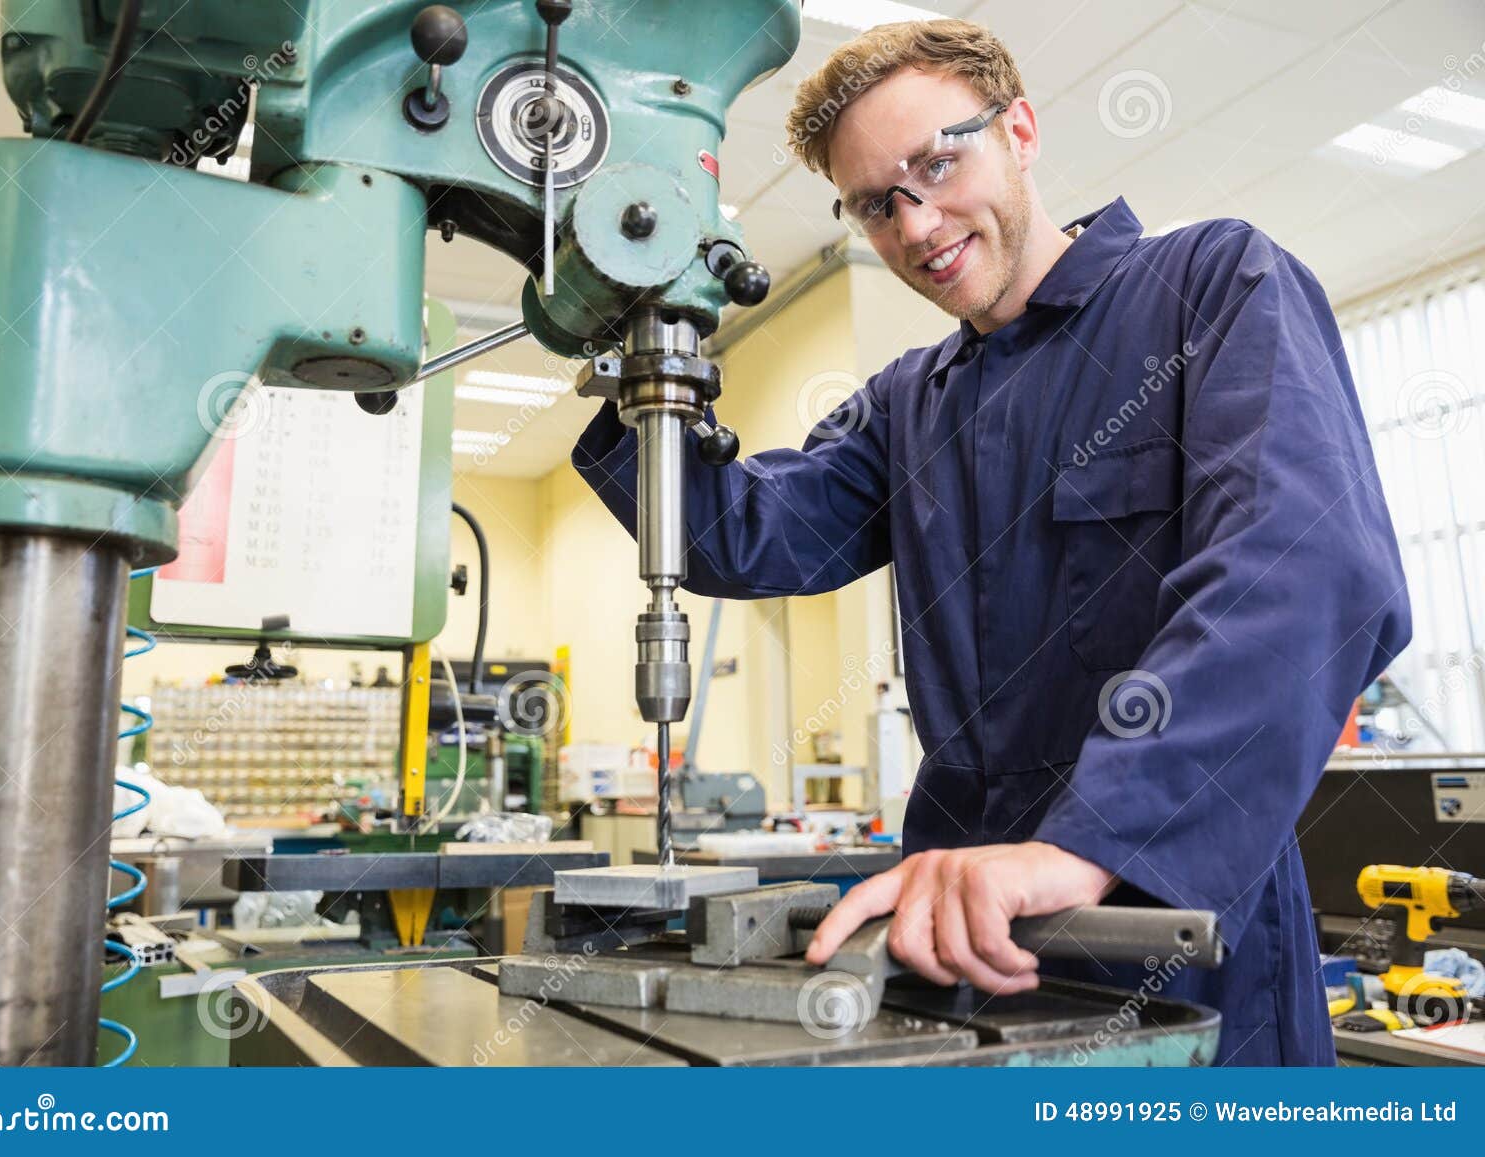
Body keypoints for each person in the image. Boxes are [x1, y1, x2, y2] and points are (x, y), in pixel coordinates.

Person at [572, 18, 1410, 1065]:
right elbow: (744, 537)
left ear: (1017, 127)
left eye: (936, 162)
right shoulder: (907, 405)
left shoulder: (1209, 284)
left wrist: (1090, 838)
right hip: (960, 932)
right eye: (877, 203)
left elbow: (1306, 566)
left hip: (1181, 923)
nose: (916, 223)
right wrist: (633, 374)